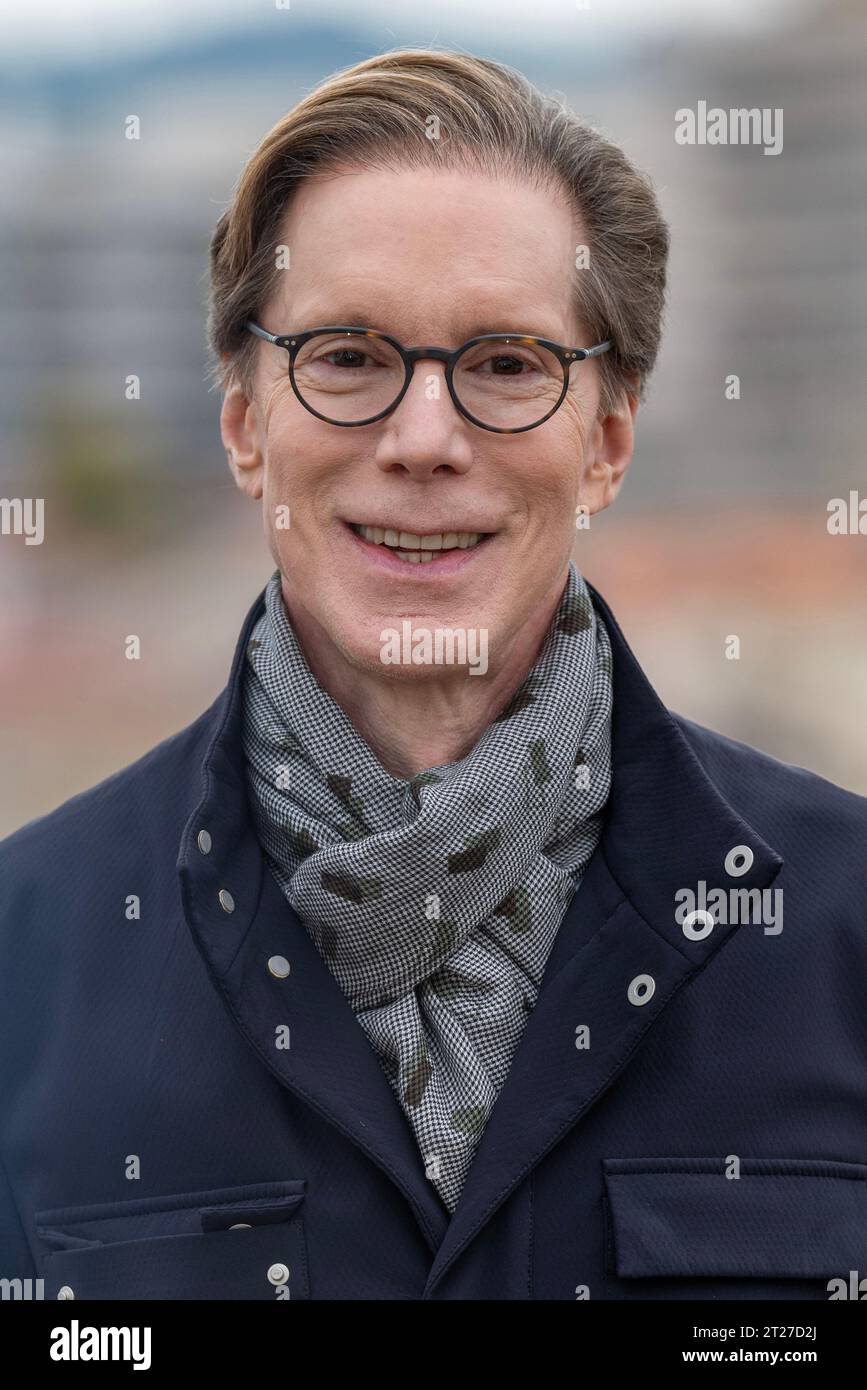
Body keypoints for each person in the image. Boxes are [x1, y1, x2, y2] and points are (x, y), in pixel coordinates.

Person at [2, 47, 866, 1303]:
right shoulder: (27, 954)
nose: (422, 439)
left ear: (608, 439)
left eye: (508, 363)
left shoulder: (843, 931)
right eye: (347, 356)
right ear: (246, 422)